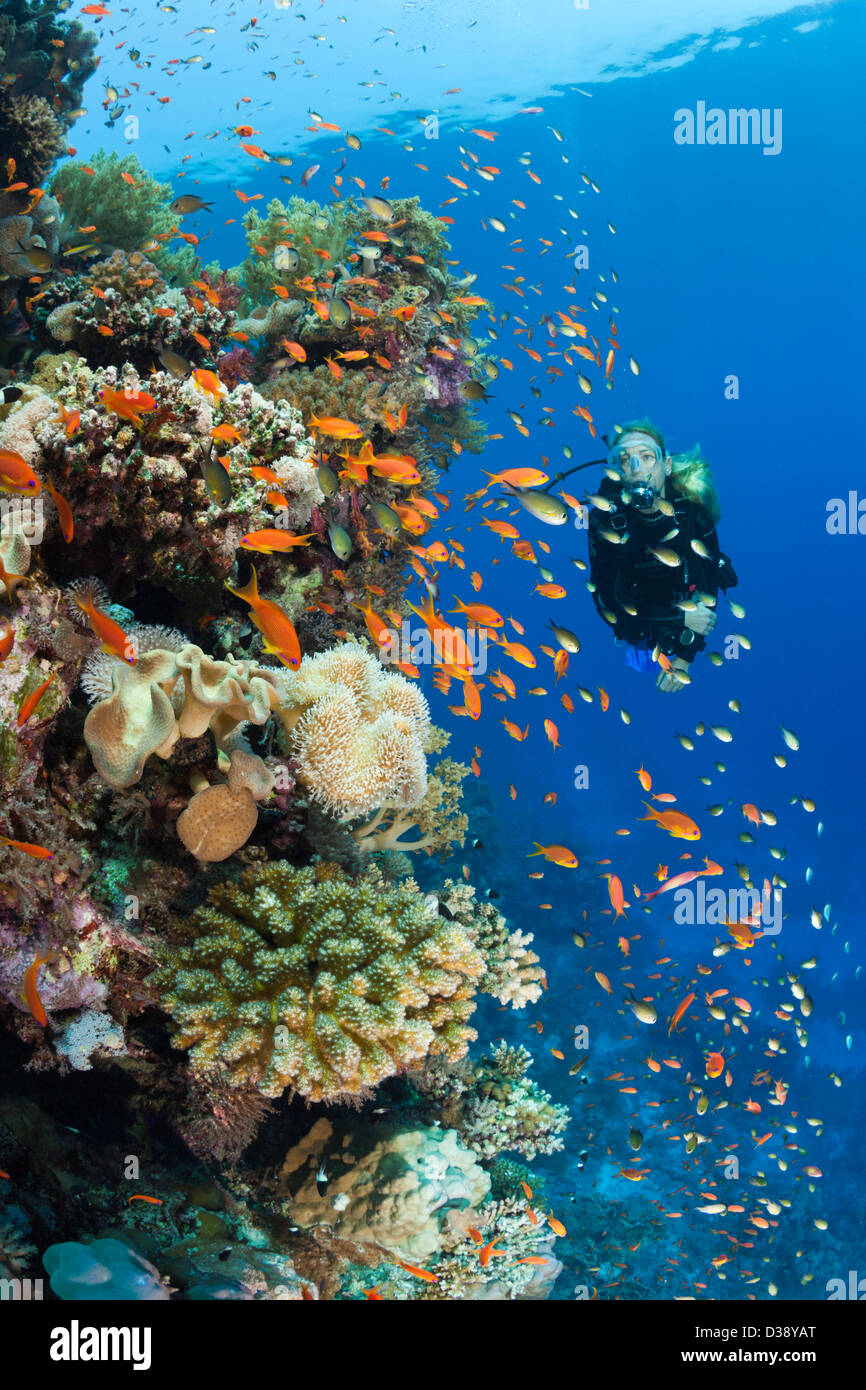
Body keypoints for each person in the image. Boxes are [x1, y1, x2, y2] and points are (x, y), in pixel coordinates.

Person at [586, 420, 737, 692]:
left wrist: (685, 658)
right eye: (624, 460)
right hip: (639, 620)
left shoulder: (692, 510)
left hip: (683, 614)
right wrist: (676, 617)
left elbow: (708, 589)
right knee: (636, 646)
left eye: (646, 457)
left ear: (665, 465)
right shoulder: (606, 519)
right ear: (616, 472)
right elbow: (606, 601)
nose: (636, 469)